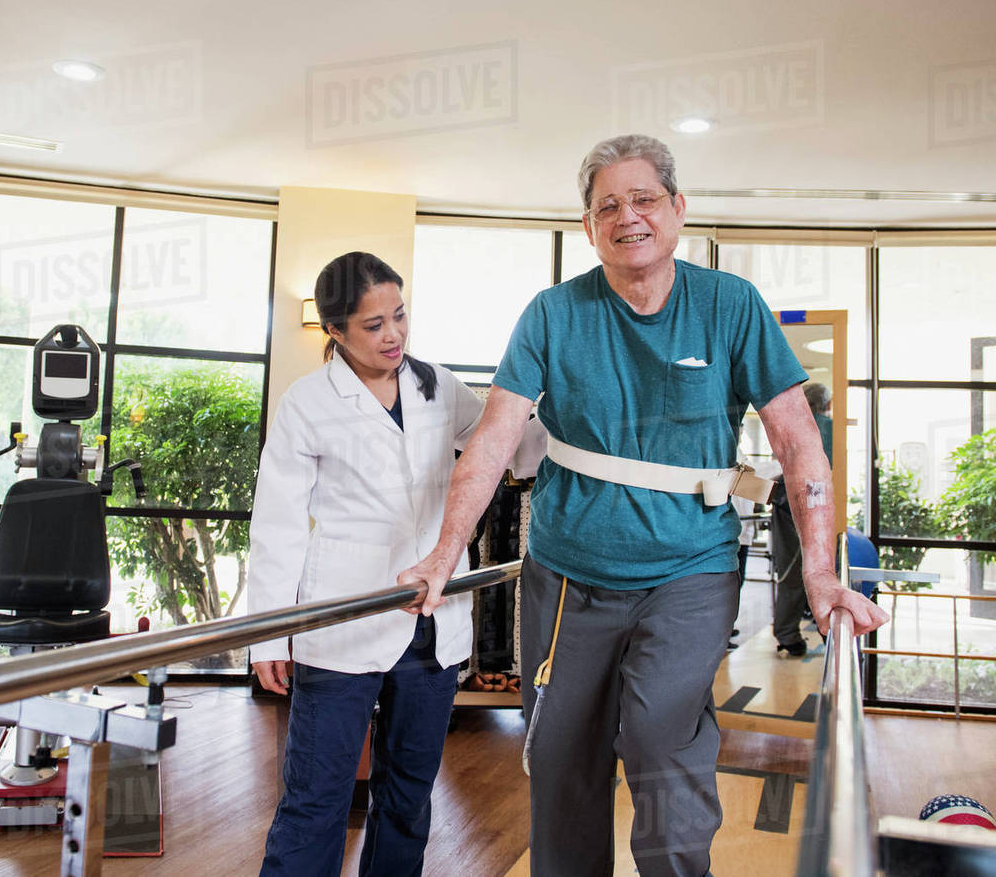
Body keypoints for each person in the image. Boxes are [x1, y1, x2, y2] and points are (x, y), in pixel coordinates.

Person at [398, 135, 889, 876]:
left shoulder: (729, 305)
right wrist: (442, 555)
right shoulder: (554, 313)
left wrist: (820, 574)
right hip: (567, 574)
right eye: (607, 206)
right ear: (588, 226)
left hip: (688, 571)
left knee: (661, 740)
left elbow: (796, 443)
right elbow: (494, 441)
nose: (627, 216)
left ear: (677, 209)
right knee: (561, 762)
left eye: (643, 199)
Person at [247, 251, 484, 876]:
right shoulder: (308, 403)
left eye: (400, 317)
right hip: (343, 621)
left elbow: (503, 442)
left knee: (408, 797)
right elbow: (277, 523)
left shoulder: (438, 384)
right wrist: (269, 633)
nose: (394, 335)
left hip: (430, 624)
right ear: (335, 331)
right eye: (374, 325)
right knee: (315, 799)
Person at [771, 382, 835, 656]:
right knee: (826, 569)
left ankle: (787, 633)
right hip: (826, 506)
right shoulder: (834, 430)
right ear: (828, 404)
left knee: (791, 571)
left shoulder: (794, 425)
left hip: (790, 505)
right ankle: (828, 631)